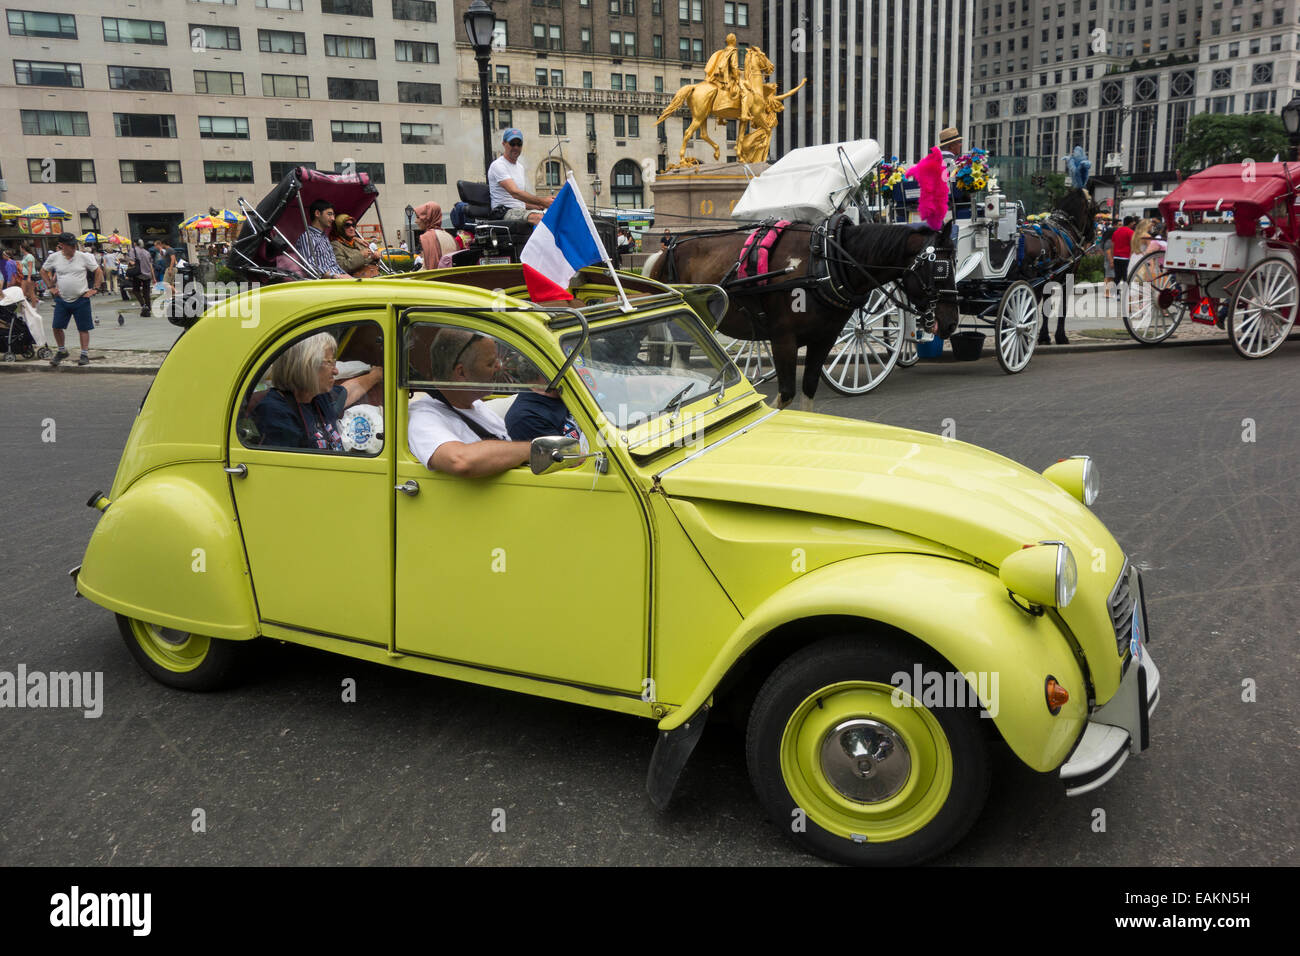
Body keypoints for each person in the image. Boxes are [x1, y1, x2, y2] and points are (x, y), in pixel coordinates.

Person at [408, 329, 531, 477]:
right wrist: (533, 450)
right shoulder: (423, 418)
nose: (498, 367)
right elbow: (460, 461)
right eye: (490, 363)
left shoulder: (476, 405)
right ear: (461, 372)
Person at [252, 332, 383, 450]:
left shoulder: (317, 397)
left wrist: (376, 375)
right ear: (305, 366)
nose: (336, 371)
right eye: (329, 363)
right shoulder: (276, 412)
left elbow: (349, 391)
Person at [40, 232, 102, 367]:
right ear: (61, 246)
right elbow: (43, 271)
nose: (73, 248)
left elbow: (98, 271)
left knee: (83, 328)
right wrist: (51, 286)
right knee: (56, 326)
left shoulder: (84, 257)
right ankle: (62, 351)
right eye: (70, 245)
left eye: (75, 245)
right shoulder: (54, 257)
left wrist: (95, 288)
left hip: (81, 297)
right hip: (62, 299)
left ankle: (84, 354)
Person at [487, 129, 553, 225]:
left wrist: (540, 206)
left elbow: (521, 202)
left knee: (553, 217)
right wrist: (543, 201)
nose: (516, 147)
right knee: (539, 218)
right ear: (504, 144)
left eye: (519, 144)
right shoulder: (498, 165)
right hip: (504, 212)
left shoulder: (520, 167)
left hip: (520, 211)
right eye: (512, 144)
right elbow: (515, 193)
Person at [293, 200, 349, 278]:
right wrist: (335, 276)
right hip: (327, 282)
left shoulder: (324, 237)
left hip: (339, 277)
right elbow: (310, 267)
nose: (333, 218)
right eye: (329, 214)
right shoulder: (308, 237)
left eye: (333, 215)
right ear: (317, 213)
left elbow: (334, 264)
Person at [128, 238, 155, 315]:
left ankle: (143, 305)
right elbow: (151, 265)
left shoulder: (133, 250)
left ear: (135, 243)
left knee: (135, 290)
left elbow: (132, 262)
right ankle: (149, 307)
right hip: (147, 274)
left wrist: (128, 262)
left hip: (138, 274)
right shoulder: (147, 252)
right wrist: (153, 277)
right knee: (146, 292)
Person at [1112, 215, 1135, 292]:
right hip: (1126, 257)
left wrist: (1113, 257)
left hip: (1116, 257)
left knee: (1117, 276)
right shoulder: (1131, 232)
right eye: (1132, 223)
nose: (1133, 225)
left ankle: (1117, 293)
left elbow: (1113, 246)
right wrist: (1131, 257)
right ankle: (1126, 293)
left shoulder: (1116, 232)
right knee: (1126, 277)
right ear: (1130, 223)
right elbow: (1132, 245)